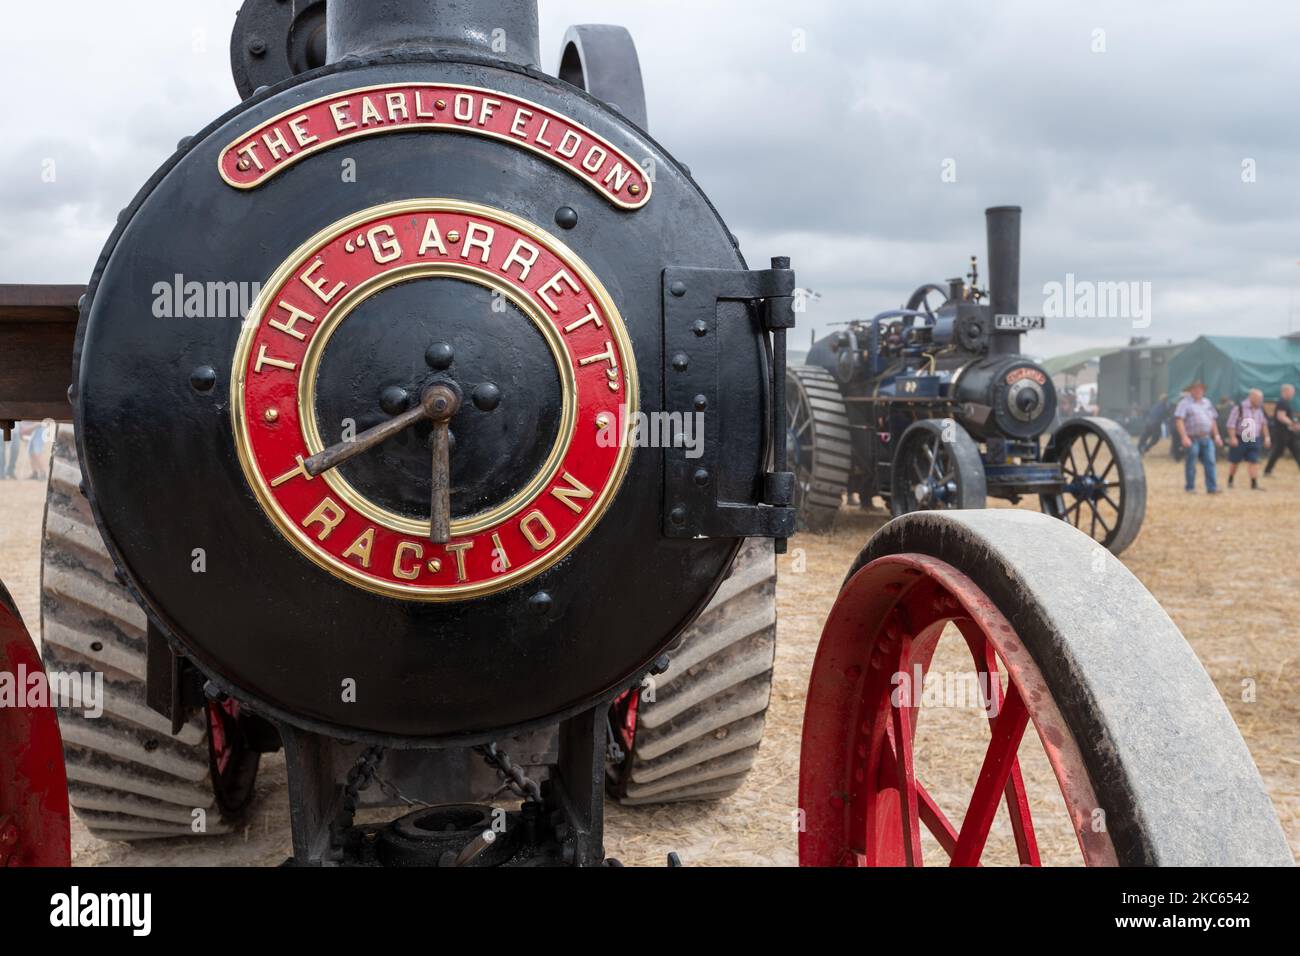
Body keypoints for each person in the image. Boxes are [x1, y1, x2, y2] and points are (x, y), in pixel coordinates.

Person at [1173, 381, 1222, 493]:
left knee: (1210, 461)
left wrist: (1217, 436)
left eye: (1200, 389)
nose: (1198, 391)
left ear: (1203, 391)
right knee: (1191, 463)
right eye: (1195, 389)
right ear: (1191, 390)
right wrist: (1184, 437)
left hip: (1207, 437)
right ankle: (1190, 487)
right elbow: (1179, 420)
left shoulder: (1207, 402)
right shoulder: (1184, 403)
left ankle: (1212, 487)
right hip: (1192, 438)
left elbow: (1213, 420)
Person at [1225, 389, 1270, 490]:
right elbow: (1231, 424)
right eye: (1258, 399)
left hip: (1254, 438)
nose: (1260, 401)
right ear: (1251, 397)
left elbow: (1264, 424)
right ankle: (1230, 480)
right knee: (1235, 461)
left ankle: (1254, 484)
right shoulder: (1239, 408)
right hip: (1240, 438)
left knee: (1253, 461)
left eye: (1261, 399)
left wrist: (1267, 437)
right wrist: (1233, 438)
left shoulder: (1260, 409)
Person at [1264, 383, 1300, 475]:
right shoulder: (1282, 402)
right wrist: (1293, 424)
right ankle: (1267, 470)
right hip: (1282, 432)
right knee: (1277, 451)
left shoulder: (1285, 402)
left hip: (1289, 433)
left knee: (1297, 450)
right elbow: (1281, 416)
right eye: (1292, 392)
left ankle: (1268, 470)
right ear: (1286, 391)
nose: (1293, 394)